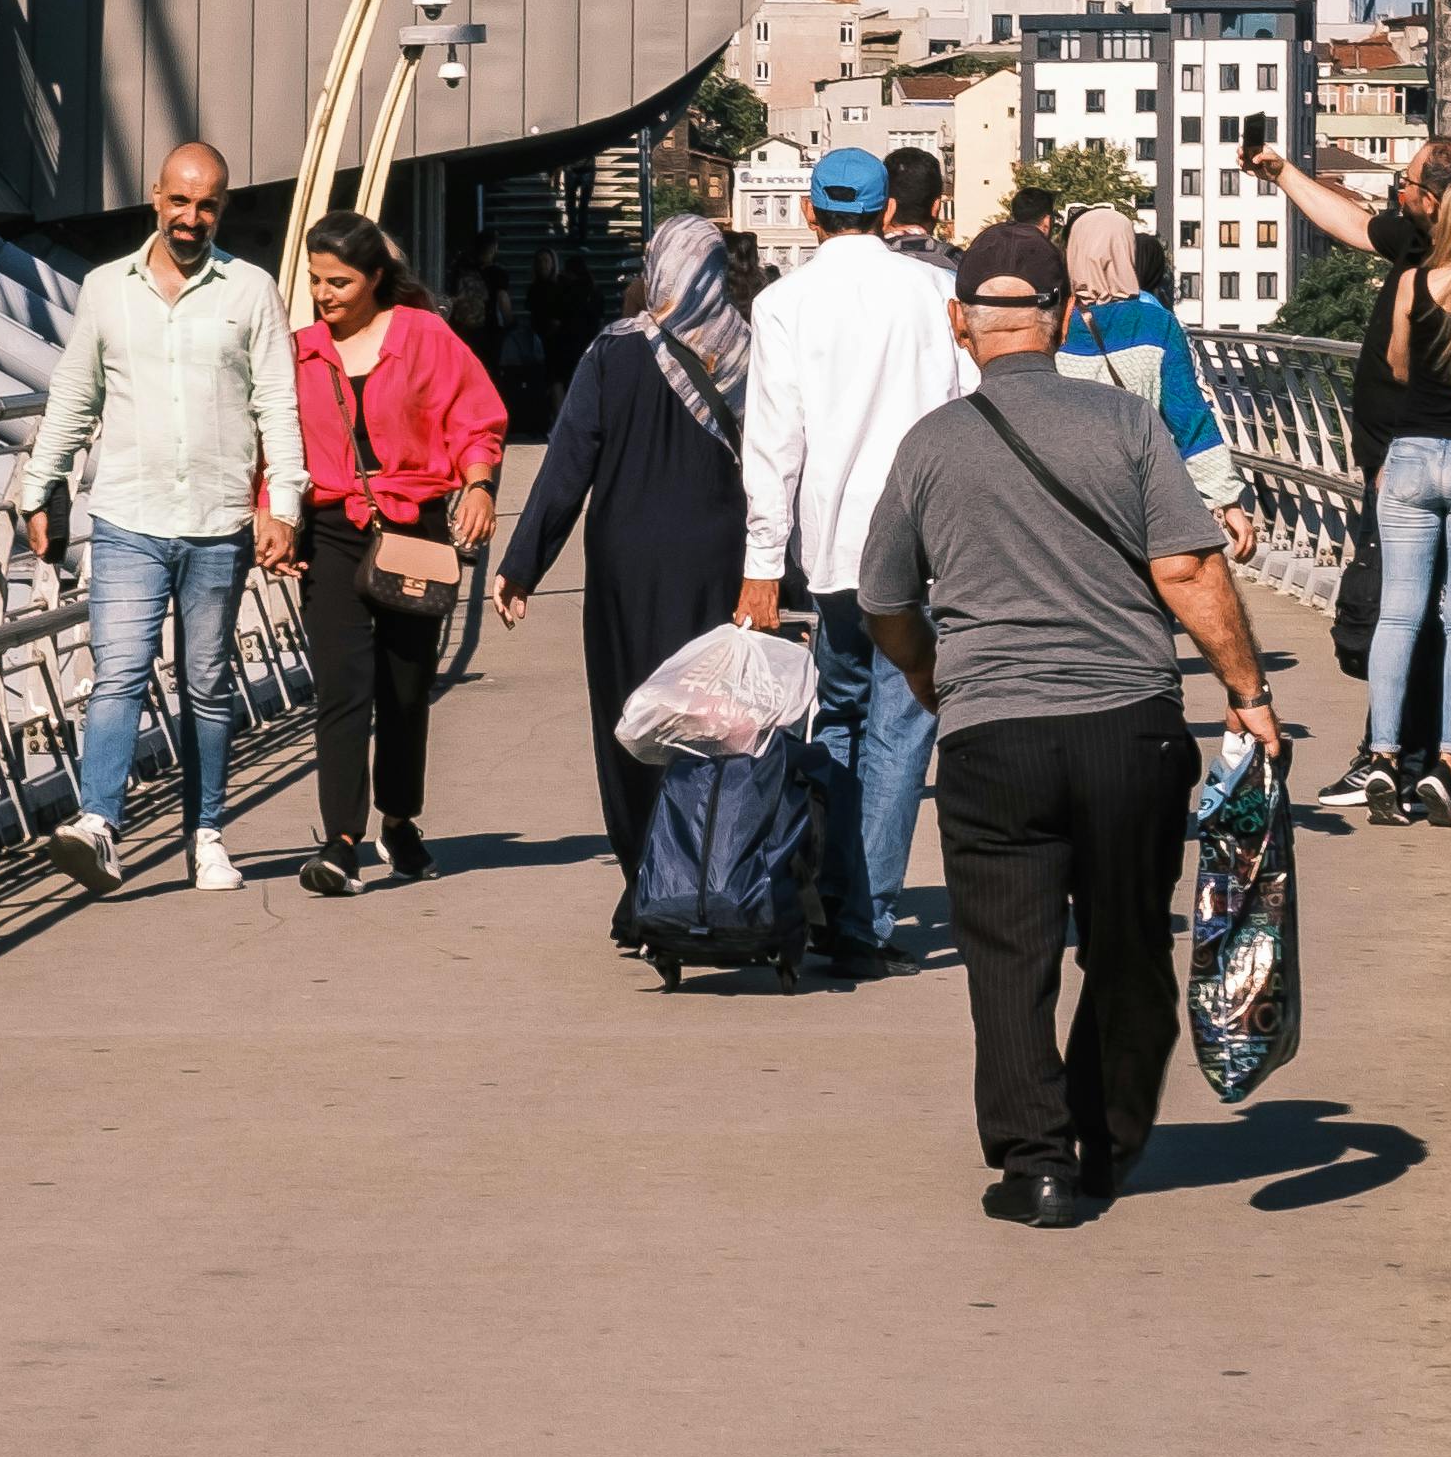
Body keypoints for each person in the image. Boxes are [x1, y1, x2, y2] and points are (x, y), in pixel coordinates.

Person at [857, 223, 1284, 1226]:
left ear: (960, 323)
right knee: (1130, 944)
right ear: (1062, 318)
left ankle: (1035, 1164)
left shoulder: (929, 444)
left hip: (988, 737)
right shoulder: (1127, 428)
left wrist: (929, 674)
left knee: (1009, 953)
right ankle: (1107, 1136)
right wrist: (1247, 688)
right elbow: (1188, 567)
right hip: (1127, 729)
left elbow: (882, 597)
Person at [26, 140, 302, 895]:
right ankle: (99, 824)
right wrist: (38, 487)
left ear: (223, 208)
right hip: (128, 513)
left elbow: (277, 400)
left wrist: (284, 504)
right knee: (118, 672)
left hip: (216, 519)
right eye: (179, 201)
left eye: (206, 203)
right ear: (155, 197)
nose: (191, 216)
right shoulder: (105, 289)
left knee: (207, 681)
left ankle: (206, 833)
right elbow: (74, 396)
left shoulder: (250, 291)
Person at [1257, 130, 1451, 824]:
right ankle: (1449, 765)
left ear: (1443, 208)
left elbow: (1396, 365)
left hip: (1410, 459)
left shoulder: (1415, 282)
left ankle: (1384, 754)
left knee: (1398, 613)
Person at [496, 214, 762, 948]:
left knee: (631, 723)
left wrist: (523, 564)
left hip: (624, 569)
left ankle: (644, 886)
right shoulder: (748, 350)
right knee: (712, 725)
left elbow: (567, 461)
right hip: (720, 562)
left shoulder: (612, 351)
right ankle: (704, 878)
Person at [735, 144, 970, 975]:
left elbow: (772, 442)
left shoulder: (782, 303)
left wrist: (762, 564)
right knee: (903, 730)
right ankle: (865, 919)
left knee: (836, 716)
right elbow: (968, 413)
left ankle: (827, 897)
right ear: (889, 212)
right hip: (925, 546)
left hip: (832, 552)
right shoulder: (939, 292)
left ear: (808, 212)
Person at [283, 215, 506, 895]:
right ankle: (341, 841)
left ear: (376, 277)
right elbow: (275, 442)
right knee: (342, 686)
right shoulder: (299, 352)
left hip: (415, 527)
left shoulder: (424, 335)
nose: (323, 293)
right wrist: (275, 513)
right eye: (315, 280)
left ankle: (400, 819)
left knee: (405, 686)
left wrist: (478, 483)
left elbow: (474, 417)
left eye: (339, 281)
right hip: (329, 526)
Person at [1049, 203, 1240, 546]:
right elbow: (1188, 415)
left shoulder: (1050, 323)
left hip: (1064, 495)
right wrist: (1227, 500)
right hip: (1136, 497)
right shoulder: (1157, 323)